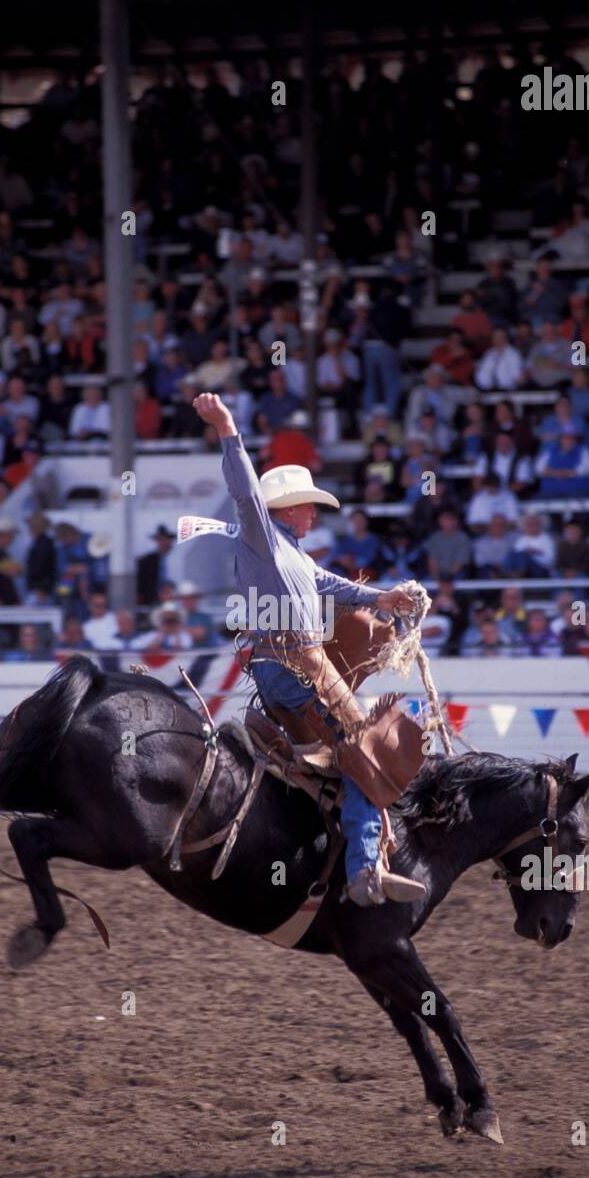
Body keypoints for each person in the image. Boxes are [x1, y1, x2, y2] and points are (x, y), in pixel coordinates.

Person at [192, 390, 421, 910]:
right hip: (297, 667)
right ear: (288, 507)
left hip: (293, 666)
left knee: (351, 752)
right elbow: (245, 491)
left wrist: (382, 596)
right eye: (311, 506)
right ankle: (364, 867)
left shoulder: (289, 552)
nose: (316, 515)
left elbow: (329, 584)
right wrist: (228, 426)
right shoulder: (261, 536)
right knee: (363, 751)